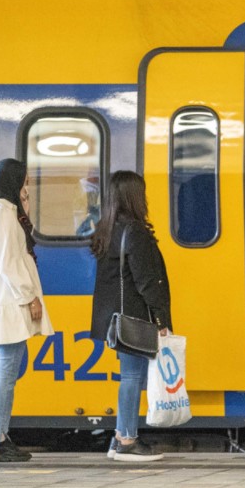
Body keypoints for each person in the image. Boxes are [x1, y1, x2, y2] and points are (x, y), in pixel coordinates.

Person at [0, 158, 53, 463]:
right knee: (6, 374)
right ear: (13, 181)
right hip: (10, 302)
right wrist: (29, 296)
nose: (27, 188)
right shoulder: (4, 212)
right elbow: (8, 261)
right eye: (25, 182)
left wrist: (24, 207)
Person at [90, 171, 172, 462]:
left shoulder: (106, 229)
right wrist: (162, 319)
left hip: (114, 316)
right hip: (133, 317)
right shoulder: (134, 231)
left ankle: (118, 438)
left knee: (130, 376)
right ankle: (126, 439)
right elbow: (147, 280)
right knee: (131, 377)